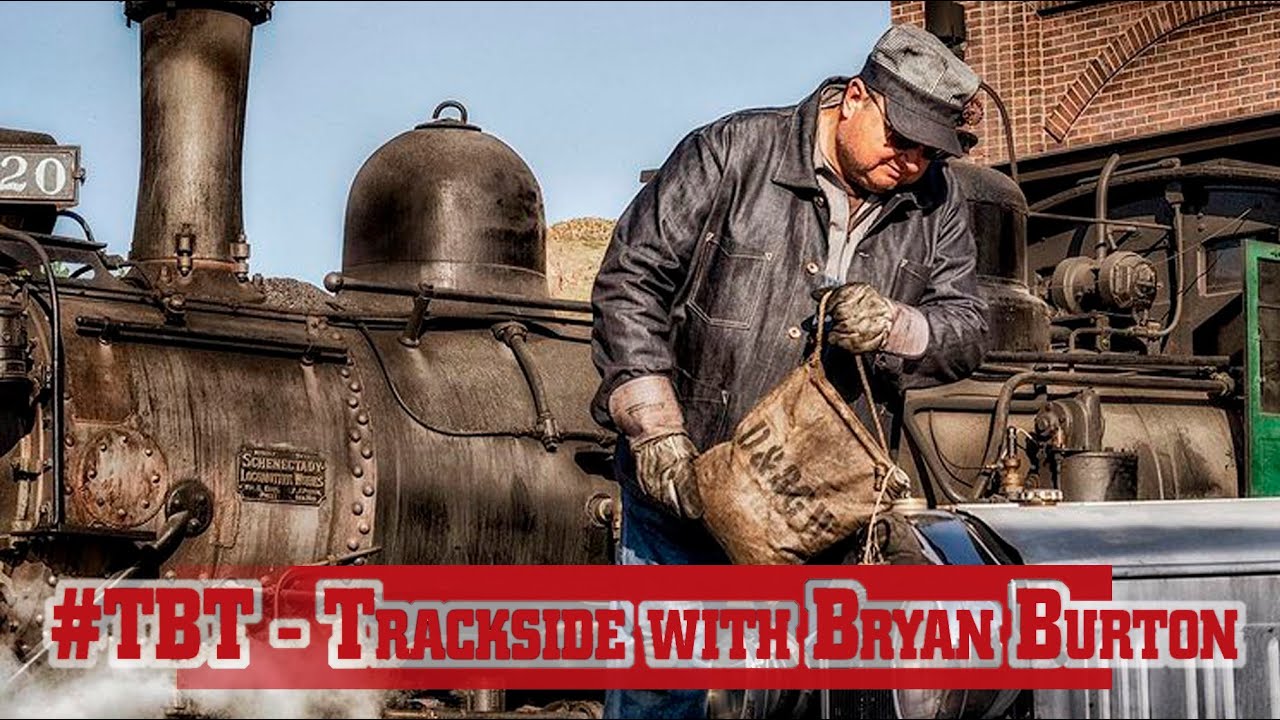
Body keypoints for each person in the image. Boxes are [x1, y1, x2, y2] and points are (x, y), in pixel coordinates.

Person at [589, 23, 989, 719]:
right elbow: (631, 281)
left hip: (819, 512)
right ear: (857, 98)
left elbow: (970, 328)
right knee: (661, 694)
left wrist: (898, 324)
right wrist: (654, 428)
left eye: (931, 150)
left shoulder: (938, 202)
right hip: (689, 484)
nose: (913, 163)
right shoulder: (731, 152)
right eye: (902, 140)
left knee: (808, 700)